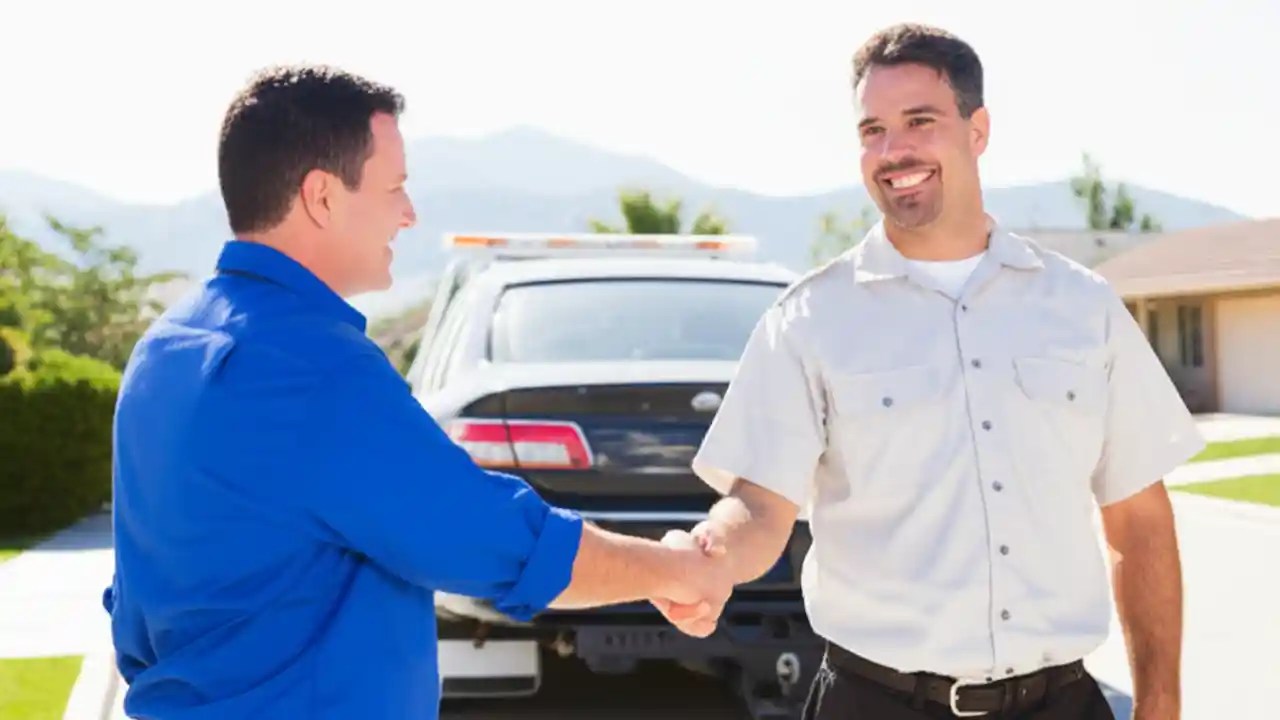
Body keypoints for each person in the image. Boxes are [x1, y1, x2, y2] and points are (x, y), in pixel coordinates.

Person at [102, 64, 732, 720]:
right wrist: (674, 569)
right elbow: (491, 541)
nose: (408, 214)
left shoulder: (164, 349)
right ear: (321, 196)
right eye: (395, 187)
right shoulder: (309, 367)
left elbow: (134, 597)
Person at [664, 23, 1203, 720]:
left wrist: (1160, 703)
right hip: (874, 701)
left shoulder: (1082, 306)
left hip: (1061, 702)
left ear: (978, 130)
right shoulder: (809, 320)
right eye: (872, 130)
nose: (894, 151)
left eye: (919, 121)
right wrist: (707, 552)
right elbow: (761, 504)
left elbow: (1139, 521)